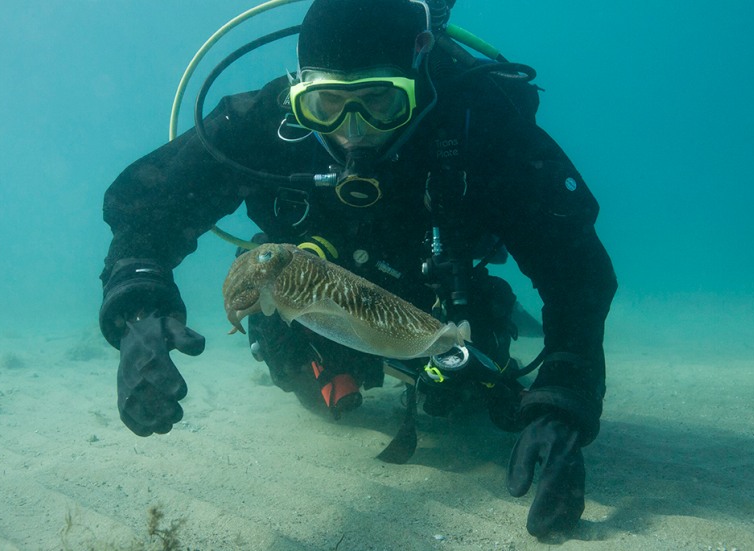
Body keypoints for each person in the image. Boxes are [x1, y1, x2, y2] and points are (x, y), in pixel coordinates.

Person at [98, 0, 616, 539]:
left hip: (440, 301)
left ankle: (486, 332)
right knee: (292, 364)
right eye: (326, 105)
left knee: (467, 397)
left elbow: (574, 271)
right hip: (307, 302)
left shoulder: (478, 117)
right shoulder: (265, 121)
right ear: (300, 91)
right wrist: (137, 310)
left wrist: (565, 396)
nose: (353, 132)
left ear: (418, 72)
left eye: (380, 102)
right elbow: (146, 214)